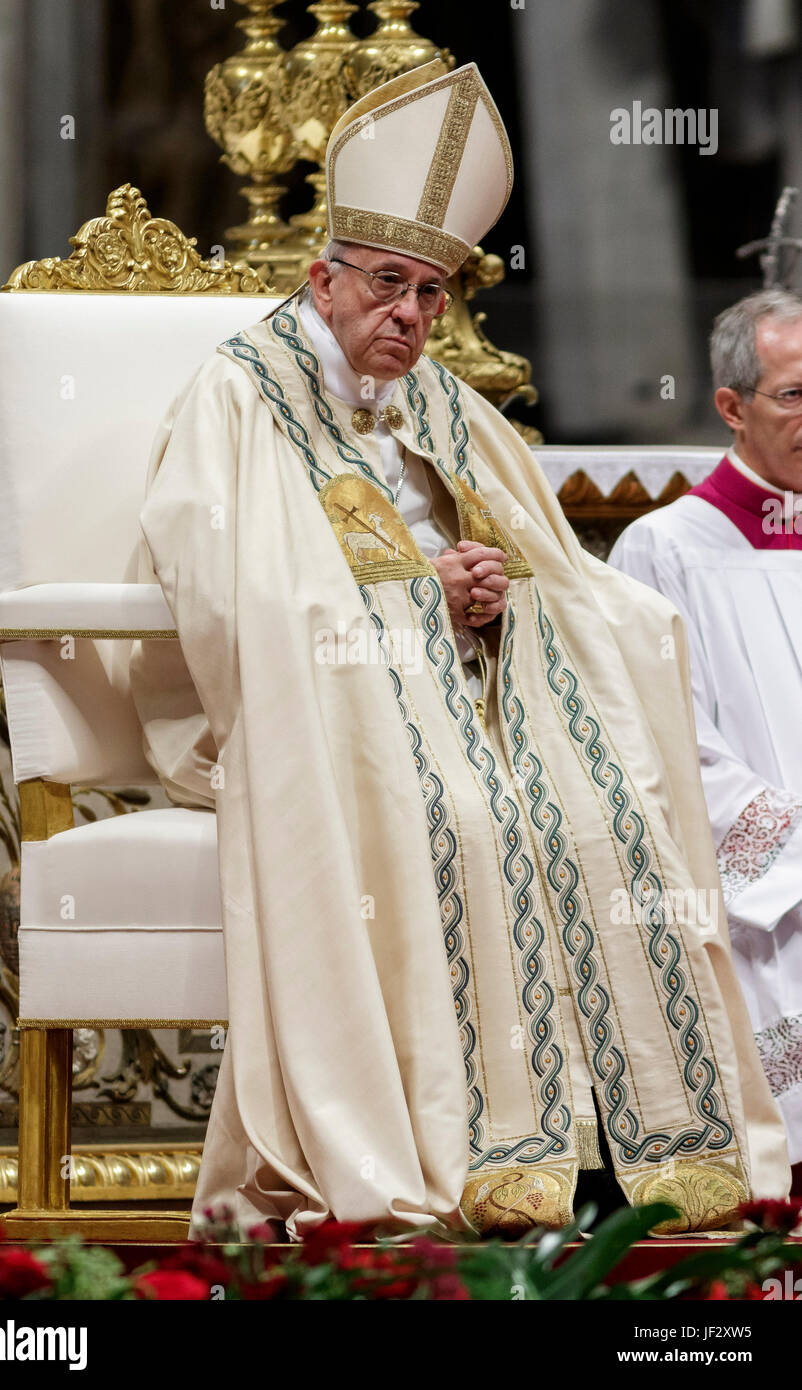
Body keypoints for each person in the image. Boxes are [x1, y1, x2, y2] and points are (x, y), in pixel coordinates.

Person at [129, 62, 790, 1243]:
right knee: (474, 821)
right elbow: (229, 595)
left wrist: (490, 599)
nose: (412, 318)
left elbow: (552, 566)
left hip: (470, 695)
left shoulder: (438, 402)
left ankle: (618, 1160)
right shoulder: (239, 397)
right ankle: (476, 1153)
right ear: (320, 275)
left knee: (601, 809)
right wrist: (402, 600)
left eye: (432, 295)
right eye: (388, 285)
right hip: (323, 716)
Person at [610, 289, 802, 1179]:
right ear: (731, 407)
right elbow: (659, 737)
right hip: (766, 906)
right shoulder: (663, 549)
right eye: (795, 395)